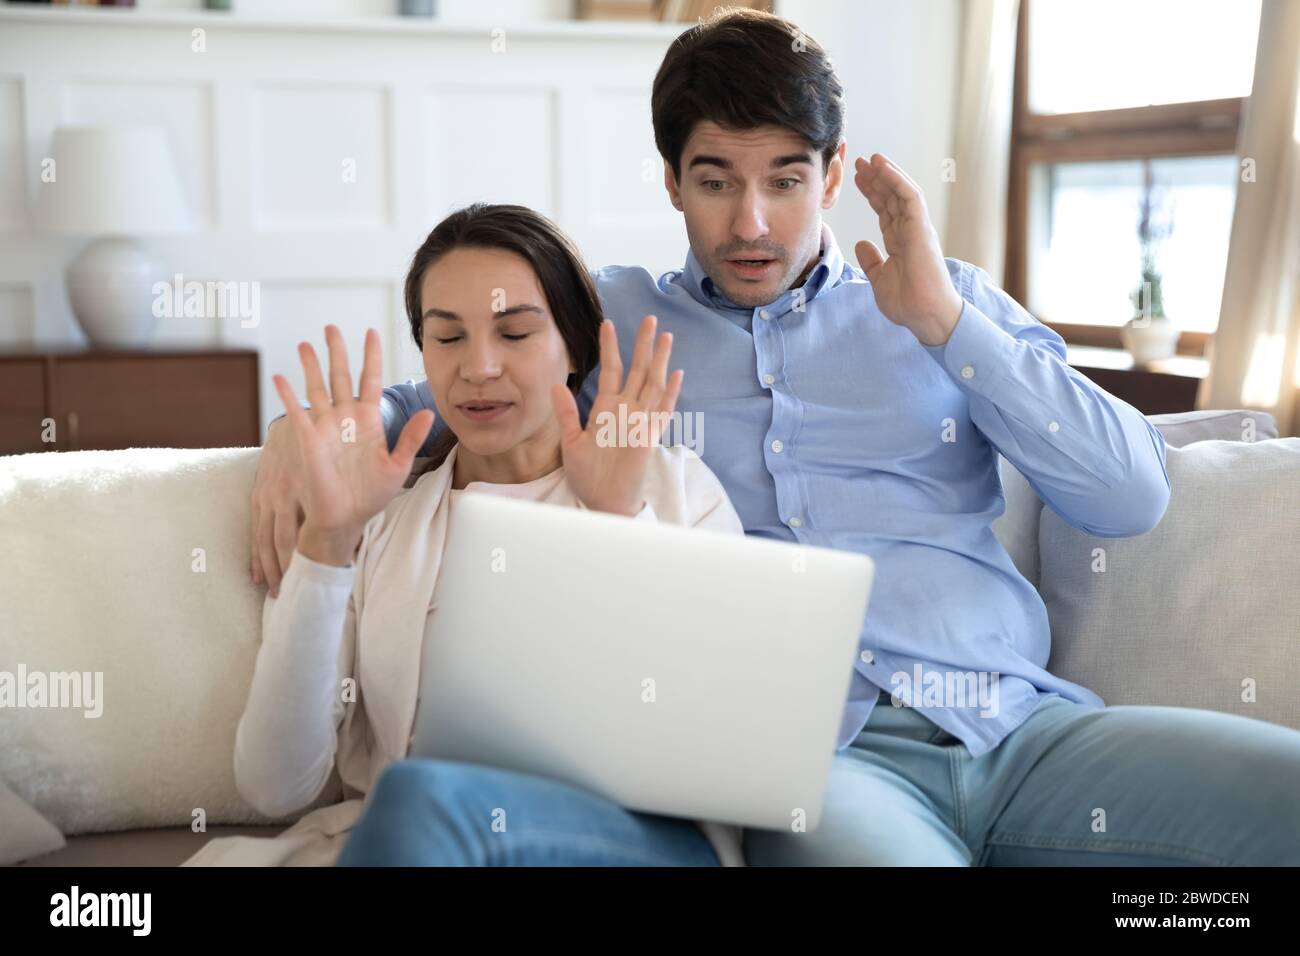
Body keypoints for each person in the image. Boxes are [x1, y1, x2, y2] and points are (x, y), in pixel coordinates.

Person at [249, 9, 1300, 865]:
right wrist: (300, 434)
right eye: (715, 180)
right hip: (821, 766)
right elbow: (455, 381)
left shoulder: (947, 304)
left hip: (1024, 729)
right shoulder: (609, 323)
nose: (750, 221)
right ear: (672, 183)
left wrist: (942, 322)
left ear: (833, 174)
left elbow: (1132, 498)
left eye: (785, 179)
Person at [185, 203, 745, 867]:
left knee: (421, 798)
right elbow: (276, 784)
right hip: (424, 839)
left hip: (633, 840)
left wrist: (617, 517)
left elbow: (712, 732)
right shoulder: (381, 522)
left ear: (574, 345)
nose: (479, 367)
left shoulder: (677, 490)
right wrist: (328, 546)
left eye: (514, 334)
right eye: (447, 338)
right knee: (418, 799)